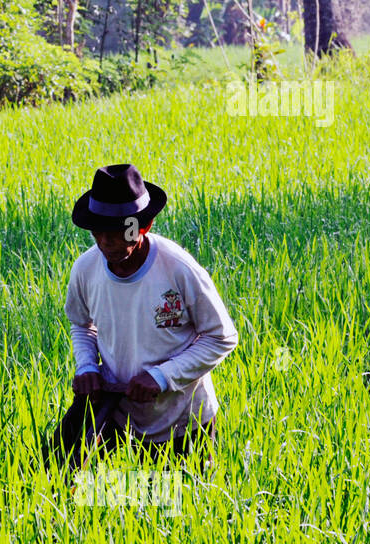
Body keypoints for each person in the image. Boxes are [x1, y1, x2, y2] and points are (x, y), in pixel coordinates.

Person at [48, 164, 238, 479]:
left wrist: (161, 377)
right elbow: (82, 325)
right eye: (98, 230)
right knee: (84, 495)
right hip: (114, 414)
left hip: (182, 421)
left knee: (177, 509)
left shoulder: (178, 269)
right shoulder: (85, 269)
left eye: (118, 231)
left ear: (144, 226)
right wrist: (86, 367)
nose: (105, 241)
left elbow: (221, 337)